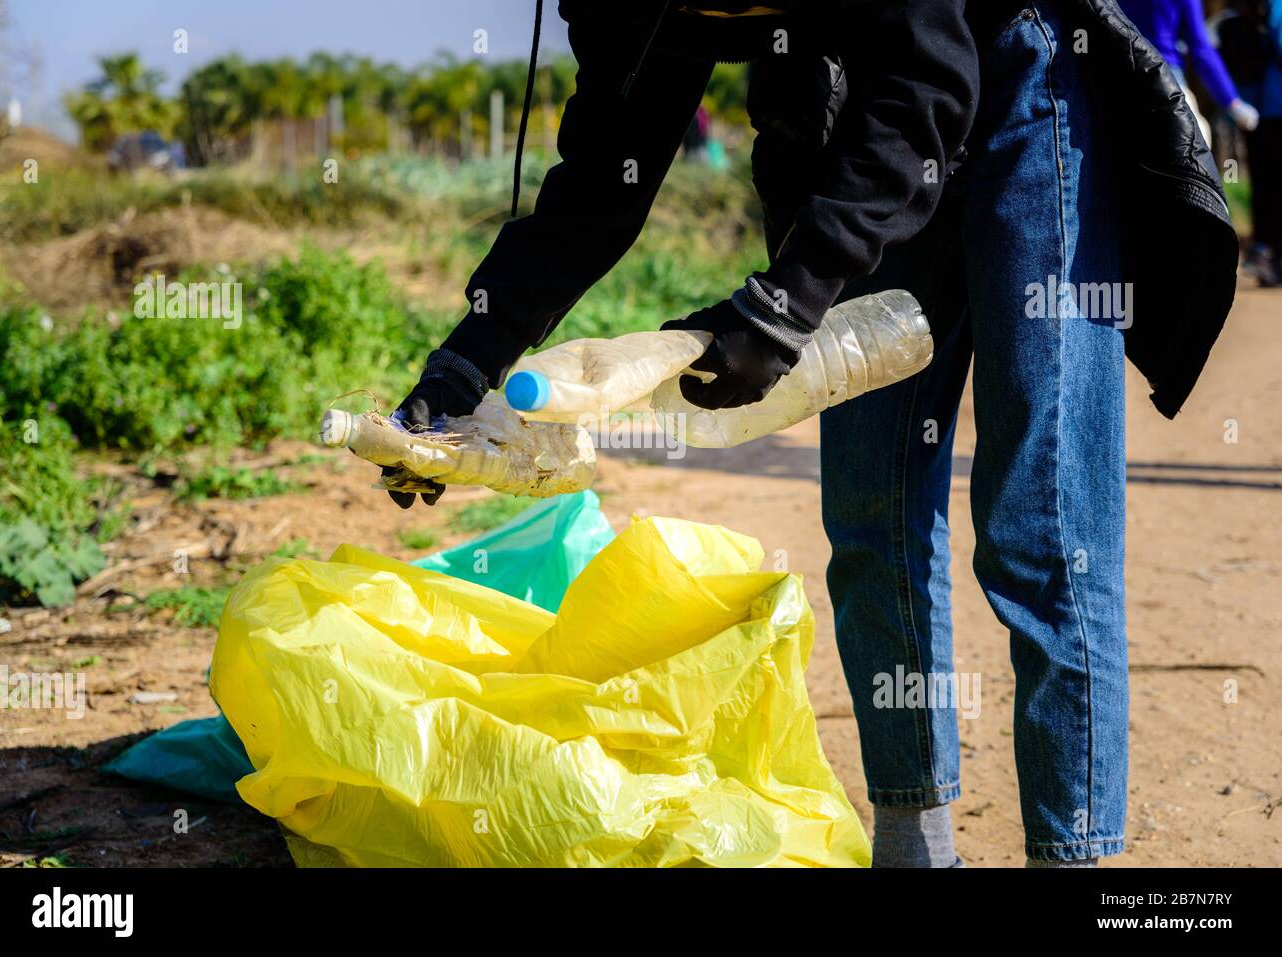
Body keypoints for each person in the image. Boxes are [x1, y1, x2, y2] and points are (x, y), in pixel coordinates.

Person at [387, 1, 1238, 867]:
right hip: (852, 121)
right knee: (872, 509)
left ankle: (1073, 856)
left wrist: (787, 299)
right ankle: (914, 841)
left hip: (1018, 88)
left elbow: (927, 85)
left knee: (1041, 522)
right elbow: (607, 174)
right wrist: (468, 361)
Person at [1119, 0, 1262, 142]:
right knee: (1198, 143)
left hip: (1117, 77)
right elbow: (1201, 49)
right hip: (1164, 79)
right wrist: (1232, 102)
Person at [1221, 0, 1282, 285]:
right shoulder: (1277, 8)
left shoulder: (1238, 10)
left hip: (1251, 112)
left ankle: (1263, 251)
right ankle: (1269, 254)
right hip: (1276, 105)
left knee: (1263, 182)